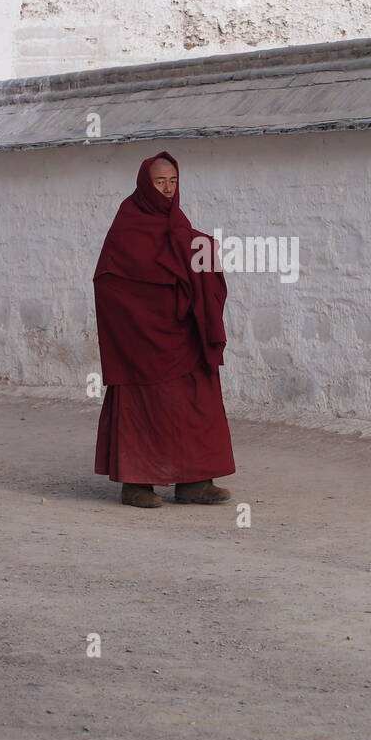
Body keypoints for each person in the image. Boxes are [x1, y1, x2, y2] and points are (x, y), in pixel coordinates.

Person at [92, 152, 236, 508]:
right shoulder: (128, 224)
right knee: (144, 407)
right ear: (145, 183)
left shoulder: (177, 221)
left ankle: (195, 482)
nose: (168, 189)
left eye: (173, 181)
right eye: (160, 182)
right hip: (142, 339)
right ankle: (136, 485)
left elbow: (184, 260)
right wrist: (144, 312)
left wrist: (202, 253)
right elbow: (110, 280)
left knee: (195, 402)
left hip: (183, 334)